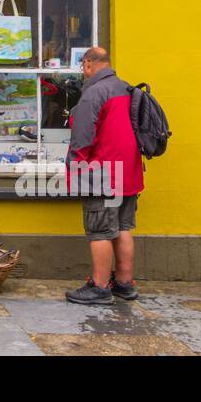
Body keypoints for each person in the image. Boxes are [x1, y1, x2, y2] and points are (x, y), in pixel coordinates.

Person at [64, 46, 144, 305]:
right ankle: (124, 283)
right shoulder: (125, 88)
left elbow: (83, 137)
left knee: (99, 231)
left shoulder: (93, 93)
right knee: (123, 227)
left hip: (102, 173)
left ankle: (99, 287)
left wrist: (75, 169)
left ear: (88, 64)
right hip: (128, 171)